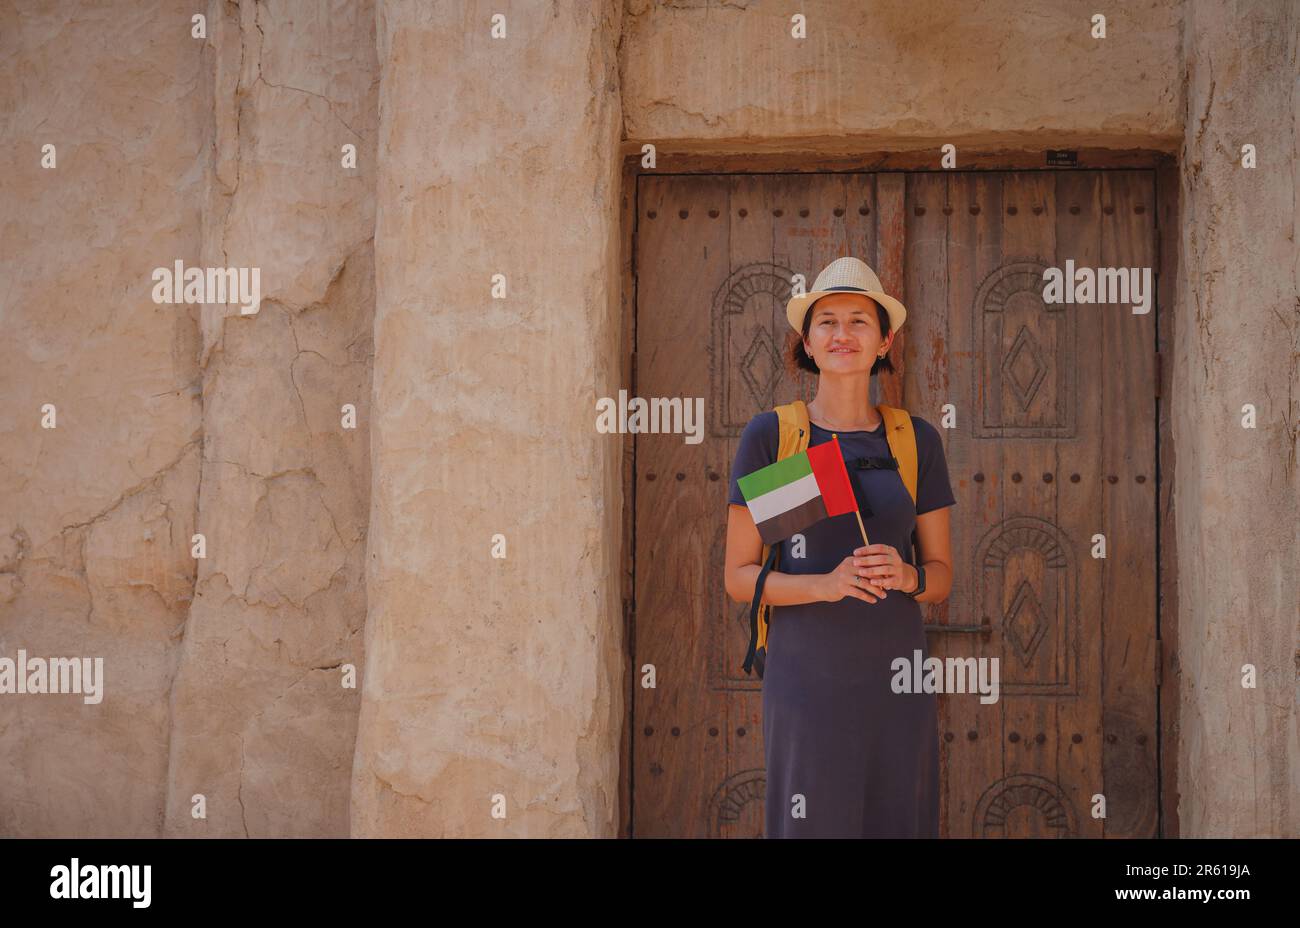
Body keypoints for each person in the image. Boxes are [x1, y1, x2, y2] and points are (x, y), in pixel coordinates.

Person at [723, 256, 956, 837]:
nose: (842, 334)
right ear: (807, 340)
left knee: (898, 820)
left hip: (897, 677)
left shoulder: (914, 439)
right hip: (807, 675)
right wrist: (825, 585)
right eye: (827, 321)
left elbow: (941, 574)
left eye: (859, 321)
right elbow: (737, 576)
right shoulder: (776, 436)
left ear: (884, 342)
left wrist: (906, 576)